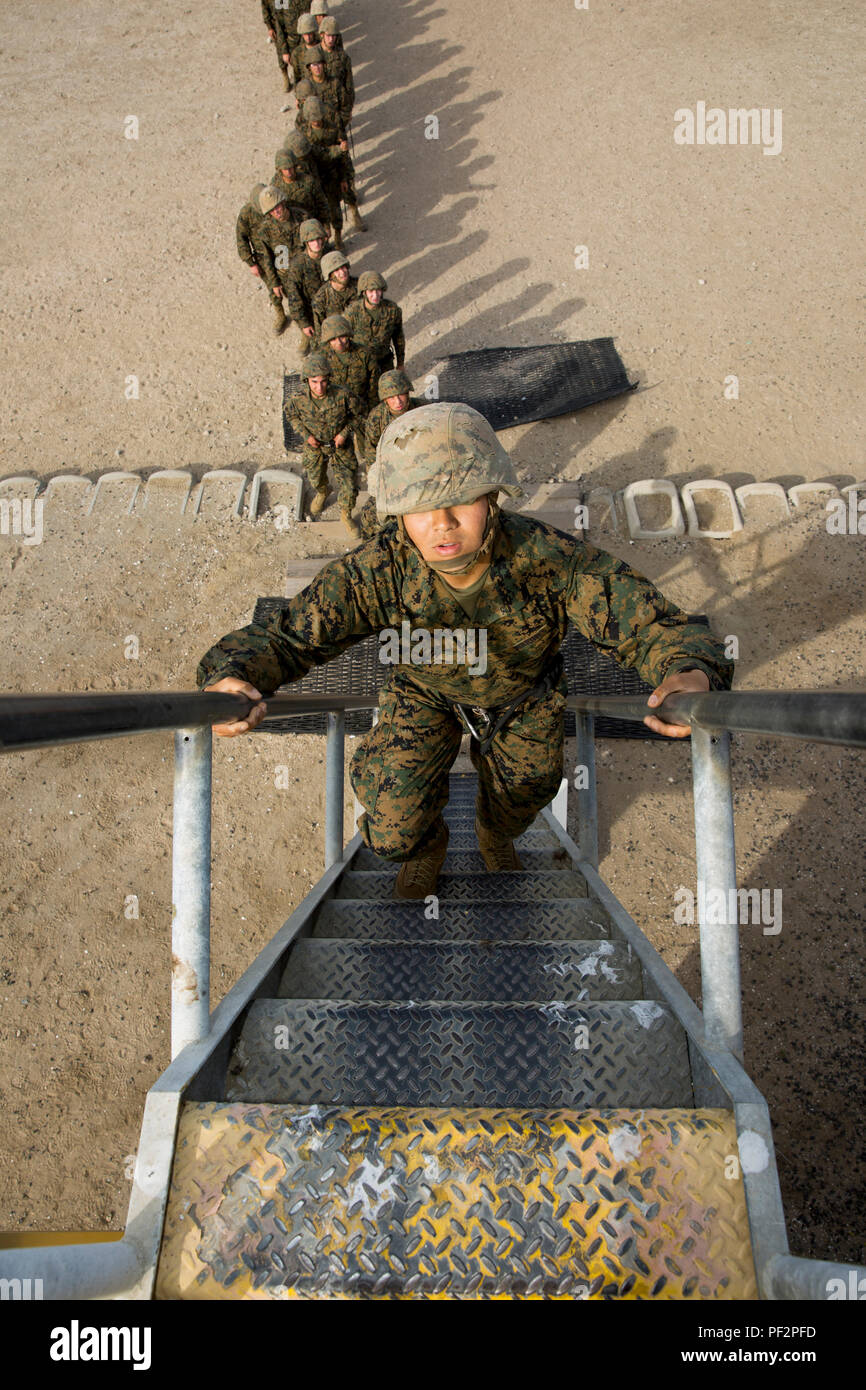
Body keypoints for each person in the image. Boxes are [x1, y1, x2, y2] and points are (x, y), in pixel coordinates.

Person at [197, 403, 735, 898]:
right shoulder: (380, 569)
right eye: (419, 507)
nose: (442, 525)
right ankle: (427, 847)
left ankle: (491, 830)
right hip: (425, 692)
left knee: (526, 791)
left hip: (522, 694)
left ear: (492, 497)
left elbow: (646, 621)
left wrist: (688, 670)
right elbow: (291, 634)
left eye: (461, 500)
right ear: (398, 514)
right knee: (390, 823)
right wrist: (233, 674)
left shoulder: (546, 559)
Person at [282, 352, 362, 536]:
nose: (320, 387)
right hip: (315, 445)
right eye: (314, 382)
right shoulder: (298, 400)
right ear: (307, 381)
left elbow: (359, 415)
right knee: (315, 477)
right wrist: (306, 435)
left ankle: (346, 513)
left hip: (339, 445)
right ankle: (323, 492)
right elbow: (291, 416)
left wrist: (344, 433)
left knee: (349, 484)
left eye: (324, 381)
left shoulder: (343, 395)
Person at [302, 95, 365, 247]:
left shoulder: (332, 128)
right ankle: (326, 235)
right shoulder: (305, 136)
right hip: (318, 178)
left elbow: (343, 155)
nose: (316, 121)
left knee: (342, 201)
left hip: (335, 173)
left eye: (318, 117)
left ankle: (343, 229)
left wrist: (344, 177)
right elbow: (316, 154)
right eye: (313, 118)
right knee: (324, 210)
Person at [250, 184, 307, 336]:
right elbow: (267, 259)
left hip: (306, 269)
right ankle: (305, 333)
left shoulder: (302, 218)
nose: (277, 211)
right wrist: (274, 283)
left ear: (284, 202)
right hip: (285, 274)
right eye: (272, 210)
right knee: (296, 306)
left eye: (278, 206)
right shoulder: (265, 230)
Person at [283, 217, 332, 355]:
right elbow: (294, 298)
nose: (316, 243)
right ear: (306, 243)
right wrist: (304, 324)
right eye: (312, 241)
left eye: (318, 239)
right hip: (311, 310)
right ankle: (306, 338)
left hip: (330, 305)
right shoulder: (298, 265)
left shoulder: (329, 254)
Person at [318, 313, 380, 414]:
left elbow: (373, 387)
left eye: (342, 337)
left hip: (360, 406)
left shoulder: (364, 354)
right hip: (333, 408)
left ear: (348, 335)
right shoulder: (321, 358)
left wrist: (371, 411)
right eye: (333, 339)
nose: (339, 343)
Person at [361, 369, 423, 467]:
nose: (398, 402)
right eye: (391, 397)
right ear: (385, 398)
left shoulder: (423, 408)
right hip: (392, 464)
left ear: (407, 393)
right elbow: (371, 452)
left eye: (401, 395)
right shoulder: (376, 418)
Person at [346, 272, 404, 371]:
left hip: (384, 362)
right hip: (361, 365)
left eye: (378, 290)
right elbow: (345, 339)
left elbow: (398, 338)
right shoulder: (353, 311)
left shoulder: (392, 310)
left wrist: (400, 363)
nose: (375, 295)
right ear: (364, 292)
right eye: (371, 291)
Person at [273, 135, 330, 228]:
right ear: (279, 170)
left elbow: (322, 203)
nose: (288, 172)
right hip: (291, 227)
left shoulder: (308, 181)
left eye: (290, 167)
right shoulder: (275, 185)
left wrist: (326, 225)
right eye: (285, 169)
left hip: (312, 224)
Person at [312, 250, 359, 334]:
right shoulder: (320, 299)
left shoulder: (360, 286)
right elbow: (320, 333)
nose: (342, 272)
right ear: (329, 275)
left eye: (343, 267)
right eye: (336, 270)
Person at [320, 18, 353, 110]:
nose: (331, 39)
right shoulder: (314, 56)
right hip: (320, 105)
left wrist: (348, 107)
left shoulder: (343, 57)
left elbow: (348, 84)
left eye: (334, 36)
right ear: (322, 34)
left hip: (337, 102)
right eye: (328, 35)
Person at [291, 14, 320, 85]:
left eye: (310, 34)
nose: (308, 37)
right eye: (305, 34)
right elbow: (297, 75)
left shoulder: (322, 48)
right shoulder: (297, 53)